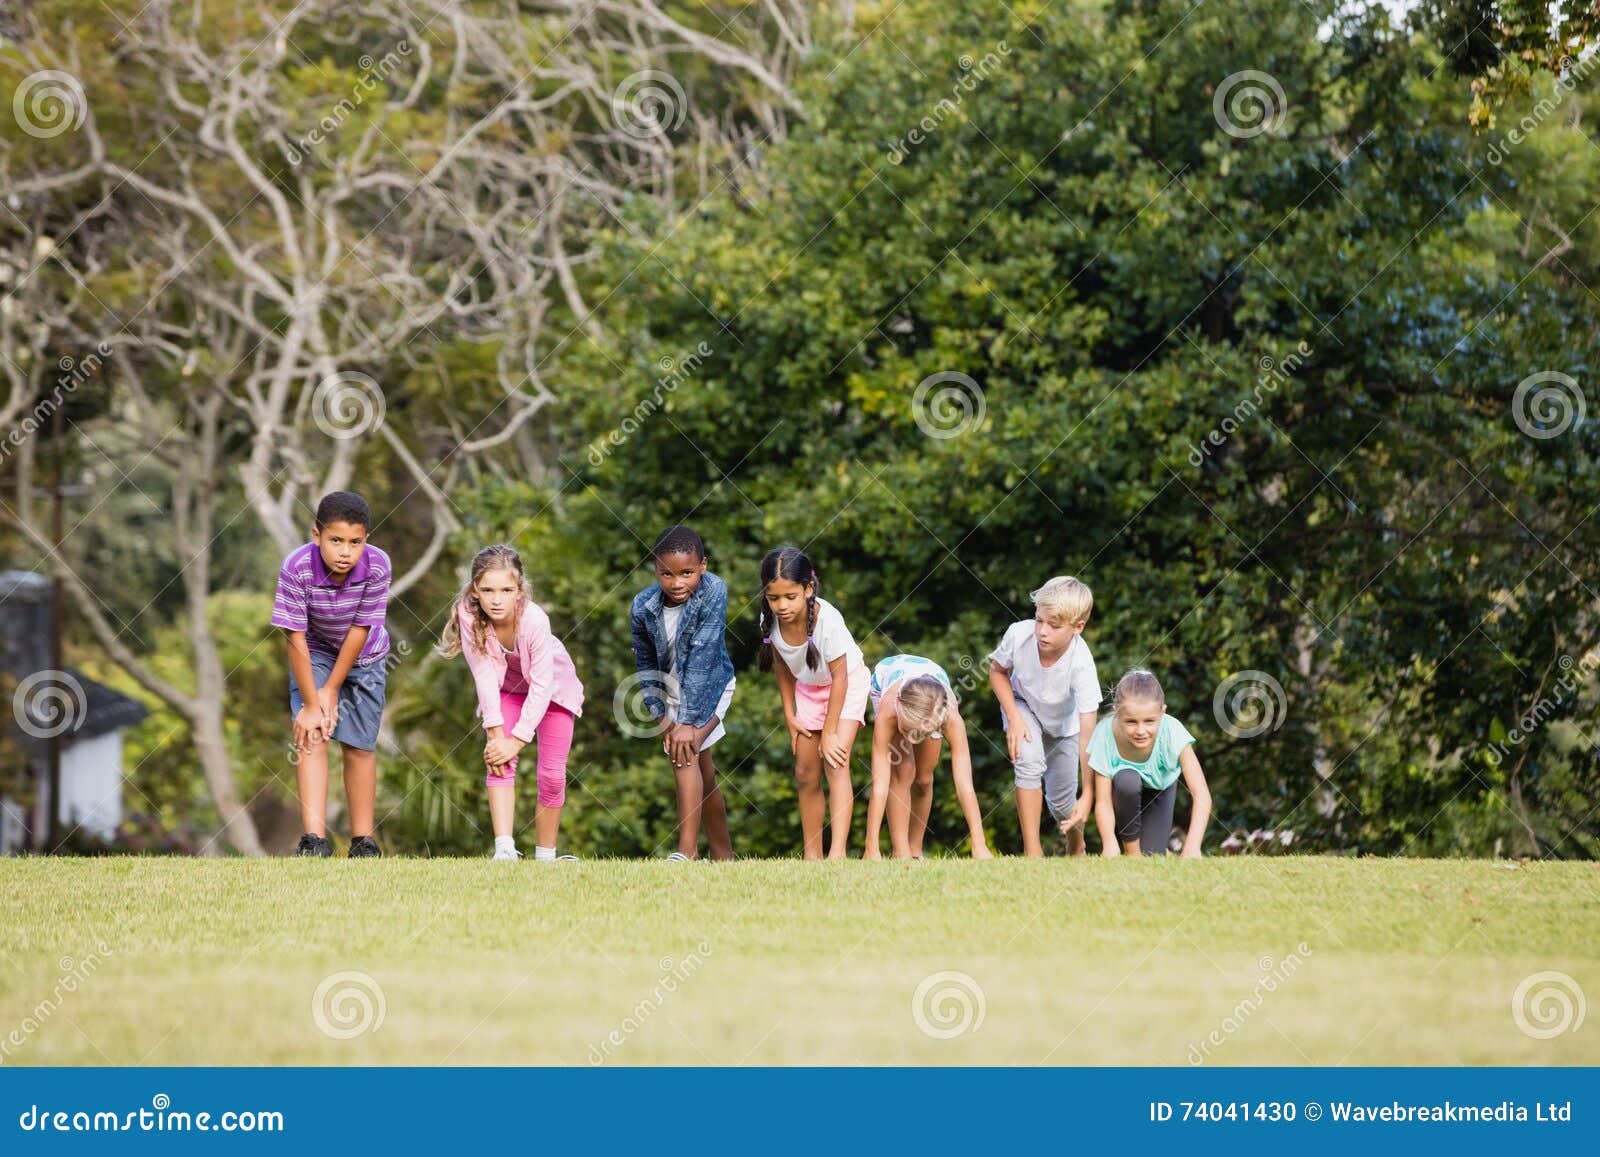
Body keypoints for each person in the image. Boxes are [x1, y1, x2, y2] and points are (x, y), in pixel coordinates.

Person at [439, 545, 584, 861]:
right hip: (506, 691)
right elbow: (483, 673)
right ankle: (504, 849)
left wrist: (517, 739)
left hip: (553, 692)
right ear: (475, 589)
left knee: (552, 774)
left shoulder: (534, 620)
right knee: (498, 759)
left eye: (506, 590)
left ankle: (546, 855)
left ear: (520, 591)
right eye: (488, 589)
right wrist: (496, 736)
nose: (496, 599)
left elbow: (543, 685)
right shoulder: (469, 614)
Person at [271, 491, 391, 858]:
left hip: (365, 656)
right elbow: (294, 635)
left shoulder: (378, 565)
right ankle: (314, 840)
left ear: (366, 540)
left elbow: (360, 629)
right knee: (312, 732)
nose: (345, 552)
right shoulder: (296, 567)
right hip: (315, 652)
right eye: (335, 540)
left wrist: (333, 689)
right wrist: (312, 702)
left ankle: (363, 841)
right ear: (316, 535)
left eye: (355, 542)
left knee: (359, 746)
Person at [629, 525, 735, 861]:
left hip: (711, 685)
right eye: (667, 574)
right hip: (671, 693)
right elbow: (646, 666)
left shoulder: (714, 590)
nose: (677, 583)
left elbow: (704, 657)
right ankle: (724, 856)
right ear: (655, 569)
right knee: (703, 771)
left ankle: (686, 853)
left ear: (703, 566)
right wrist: (661, 717)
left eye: (687, 573)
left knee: (683, 753)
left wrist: (686, 723)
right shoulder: (643, 606)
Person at [757, 546, 869, 859]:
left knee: (835, 761)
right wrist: (789, 714)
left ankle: (837, 854)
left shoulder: (828, 620)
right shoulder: (770, 619)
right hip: (809, 688)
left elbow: (842, 678)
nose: (781, 605)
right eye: (773, 597)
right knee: (805, 772)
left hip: (846, 685)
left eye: (790, 596)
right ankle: (812, 855)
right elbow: (782, 665)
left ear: (808, 588)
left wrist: (830, 732)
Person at [987, 576, 1101, 856]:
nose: (1042, 631)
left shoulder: (1082, 664)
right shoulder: (1018, 634)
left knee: (1062, 803)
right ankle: (1032, 852)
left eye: (1054, 625)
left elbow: (1088, 733)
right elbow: (997, 671)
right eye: (1039, 620)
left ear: (1078, 627)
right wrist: (1013, 717)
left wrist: (1088, 794)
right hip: (1023, 706)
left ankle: (1077, 844)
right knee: (1028, 761)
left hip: (1066, 727)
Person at [862, 655, 992, 860]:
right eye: (907, 730)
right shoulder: (890, 711)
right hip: (889, 677)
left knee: (923, 779)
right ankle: (901, 852)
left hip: (932, 694)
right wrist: (872, 848)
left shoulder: (949, 717)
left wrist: (979, 844)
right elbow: (879, 784)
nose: (912, 742)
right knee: (902, 771)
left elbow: (965, 784)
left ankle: (915, 851)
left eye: (920, 734)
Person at [1088, 669, 1213, 857]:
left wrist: (1193, 846)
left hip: (1160, 790)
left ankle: (1150, 853)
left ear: (1162, 713)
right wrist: (1109, 844)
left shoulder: (1173, 732)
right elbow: (1103, 802)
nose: (1141, 730)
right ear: (1117, 714)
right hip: (1123, 794)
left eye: (1149, 721)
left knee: (1152, 857)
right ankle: (1132, 855)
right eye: (1131, 722)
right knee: (1127, 780)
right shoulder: (1104, 735)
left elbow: (1201, 793)